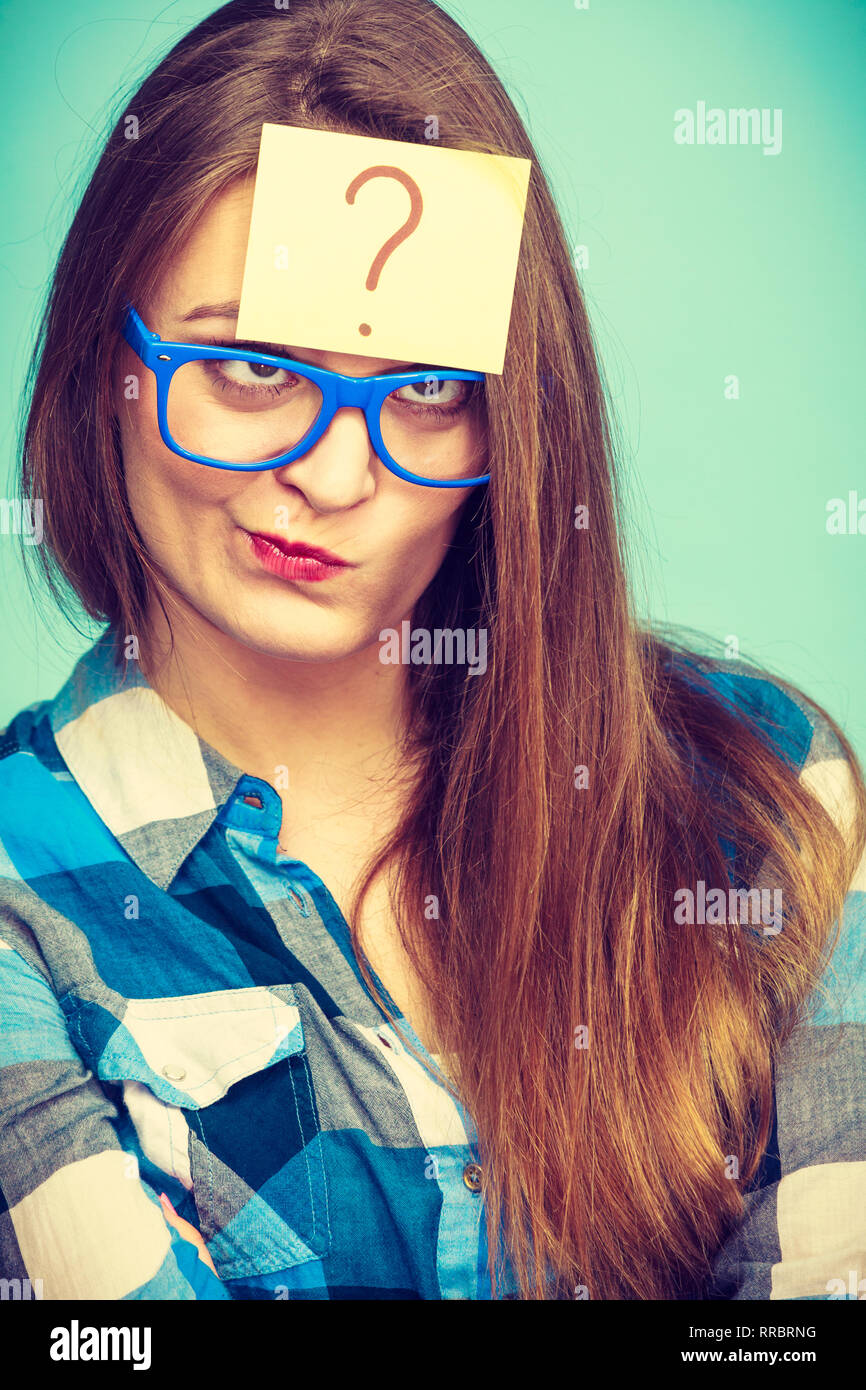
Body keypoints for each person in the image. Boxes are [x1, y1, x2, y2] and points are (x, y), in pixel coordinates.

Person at [1, 0, 864, 1302]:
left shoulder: (759, 790)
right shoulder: (24, 895)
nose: (335, 472)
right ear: (99, 357)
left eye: (424, 390)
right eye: (245, 366)